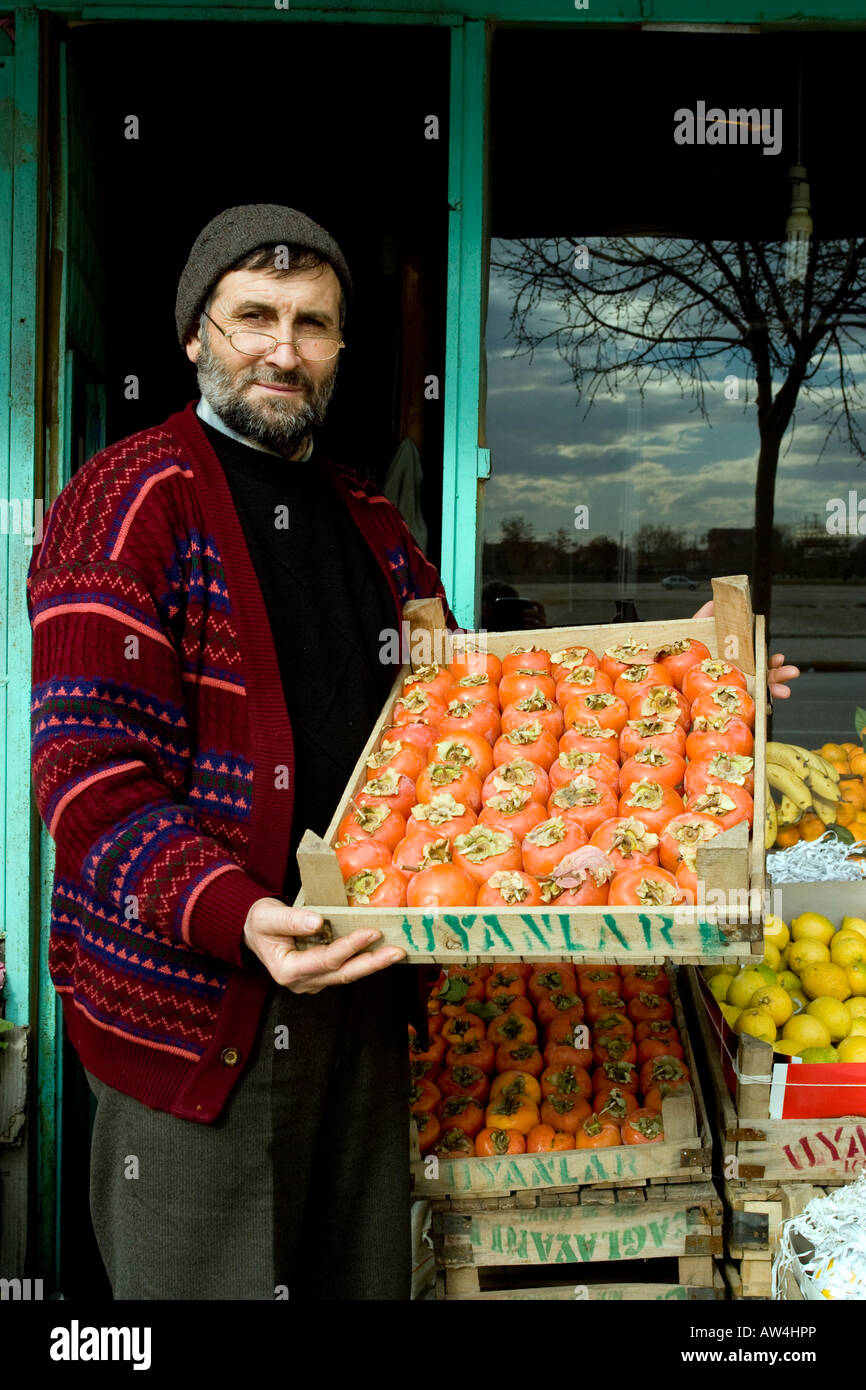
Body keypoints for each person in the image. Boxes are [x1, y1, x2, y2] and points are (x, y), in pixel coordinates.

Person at [27, 205, 451, 1301]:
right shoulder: (126, 501)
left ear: (340, 349)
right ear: (194, 335)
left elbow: (461, 711)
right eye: (252, 315)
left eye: (312, 324)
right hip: (201, 1014)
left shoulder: (373, 522)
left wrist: (700, 692)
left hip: (360, 992)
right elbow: (87, 777)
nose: (282, 347)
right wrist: (239, 915)